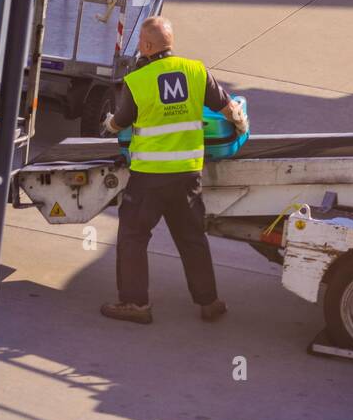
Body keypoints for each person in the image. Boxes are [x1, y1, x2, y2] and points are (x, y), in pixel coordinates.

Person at [99, 16, 248, 325]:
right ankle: (209, 301)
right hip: (187, 175)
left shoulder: (138, 81)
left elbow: (122, 121)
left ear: (149, 45)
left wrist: (108, 124)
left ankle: (135, 304)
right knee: (192, 237)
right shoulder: (196, 71)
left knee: (133, 236)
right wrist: (241, 124)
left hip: (149, 177)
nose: (139, 45)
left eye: (141, 40)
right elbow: (227, 108)